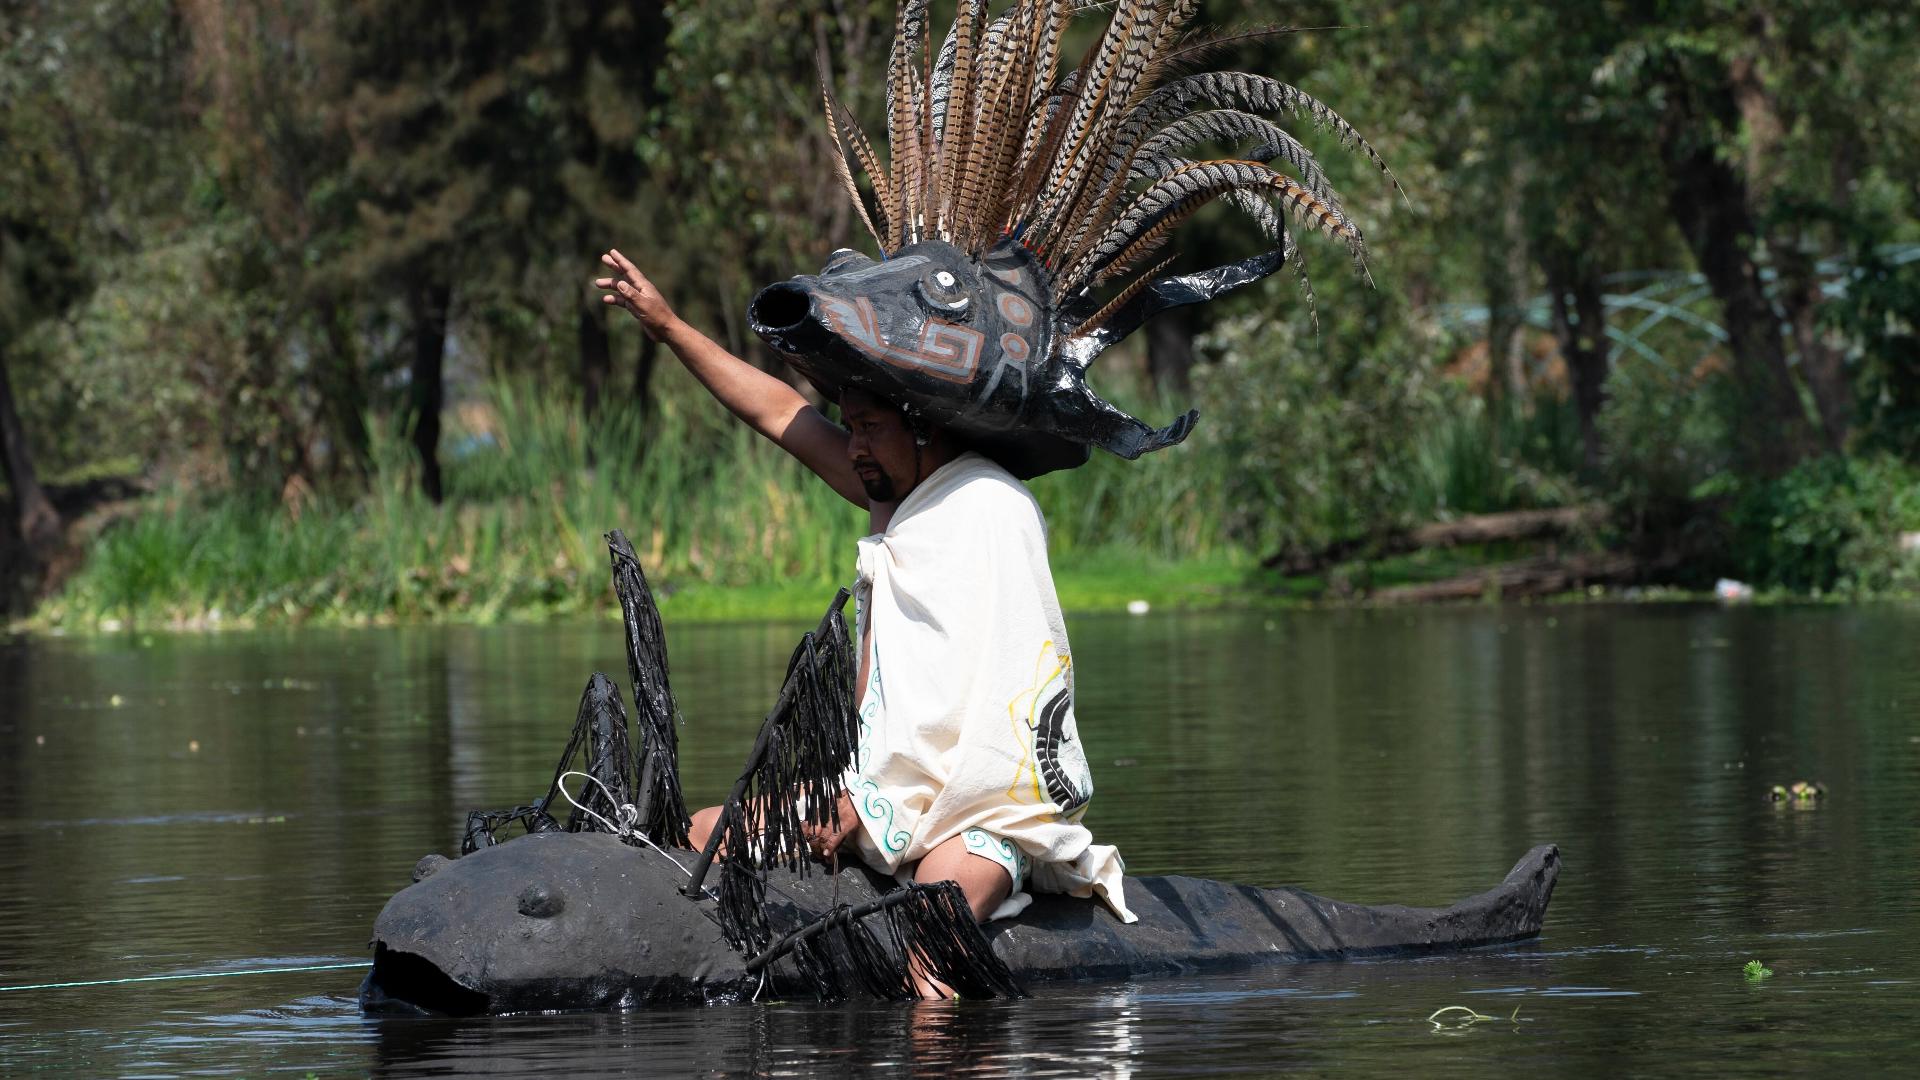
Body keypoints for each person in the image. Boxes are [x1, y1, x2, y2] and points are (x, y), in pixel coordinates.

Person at [593, 249, 1134, 945]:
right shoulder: (899, 492)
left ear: (924, 425)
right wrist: (667, 325)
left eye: (869, 428)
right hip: (878, 791)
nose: (853, 450)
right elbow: (781, 412)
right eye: (851, 428)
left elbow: (1002, 710)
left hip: (979, 812)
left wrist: (868, 806)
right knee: (696, 836)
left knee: (927, 948)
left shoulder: (988, 507)